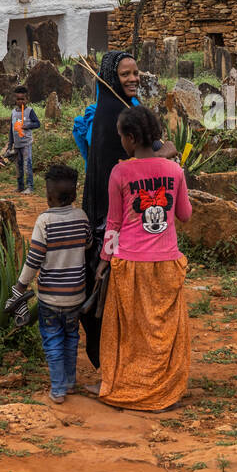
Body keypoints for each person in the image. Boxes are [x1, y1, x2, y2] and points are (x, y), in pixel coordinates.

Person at [94, 104, 193, 411]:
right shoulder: (174, 171)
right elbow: (185, 215)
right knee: (161, 328)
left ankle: (130, 385)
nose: (120, 141)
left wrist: (103, 262)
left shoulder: (120, 172)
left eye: (121, 136)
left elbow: (114, 224)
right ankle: (162, 387)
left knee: (134, 330)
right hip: (166, 261)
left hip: (130, 262)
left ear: (132, 138)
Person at [7, 165, 92, 403]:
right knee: (72, 337)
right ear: (74, 195)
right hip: (76, 295)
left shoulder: (44, 222)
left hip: (50, 297)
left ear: (48, 195)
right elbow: (87, 244)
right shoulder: (82, 217)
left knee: (53, 338)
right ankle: (70, 382)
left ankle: (58, 389)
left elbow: (34, 259)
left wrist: (21, 287)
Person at [80, 50, 142, 366]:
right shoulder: (114, 117)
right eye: (125, 75)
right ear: (110, 80)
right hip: (112, 219)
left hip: (127, 216)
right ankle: (111, 357)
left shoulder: (125, 108)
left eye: (135, 72)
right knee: (108, 287)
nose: (133, 79)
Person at [7, 85, 39, 194]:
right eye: (18, 99)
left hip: (26, 143)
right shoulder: (13, 112)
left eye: (22, 99)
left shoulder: (29, 111)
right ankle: (20, 186)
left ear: (27, 99)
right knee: (18, 166)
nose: (20, 101)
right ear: (15, 100)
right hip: (17, 144)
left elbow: (37, 123)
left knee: (27, 164)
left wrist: (26, 126)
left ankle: (30, 186)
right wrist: (9, 144)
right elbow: (11, 129)